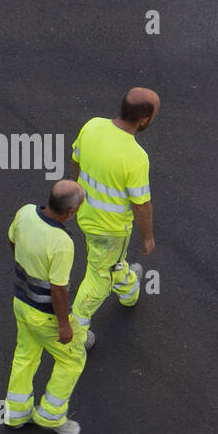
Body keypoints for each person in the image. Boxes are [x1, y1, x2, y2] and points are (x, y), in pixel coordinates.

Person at [68, 88, 159, 348]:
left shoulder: (93, 126)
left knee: (110, 264)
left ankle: (128, 289)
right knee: (98, 277)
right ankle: (76, 329)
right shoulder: (136, 157)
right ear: (144, 118)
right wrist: (148, 238)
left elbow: (75, 161)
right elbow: (141, 206)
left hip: (86, 216)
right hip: (111, 231)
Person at [3, 180, 87, 434]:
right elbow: (58, 289)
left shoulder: (26, 212)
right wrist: (64, 324)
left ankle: (16, 414)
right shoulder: (62, 242)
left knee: (26, 355)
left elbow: (12, 241)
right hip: (44, 315)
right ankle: (51, 416)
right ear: (70, 213)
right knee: (72, 359)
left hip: (21, 301)